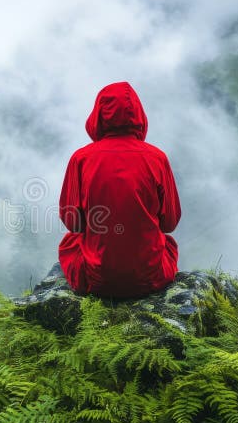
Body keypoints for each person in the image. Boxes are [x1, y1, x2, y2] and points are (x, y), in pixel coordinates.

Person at [58, 81, 181, 298]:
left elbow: (72, 222)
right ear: (139, 116)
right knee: (167, 244)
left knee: (70, 242)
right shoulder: (157, 158)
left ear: (97, 116)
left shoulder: (81, 159)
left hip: (96, 278)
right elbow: (169, 223)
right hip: (150, 277)